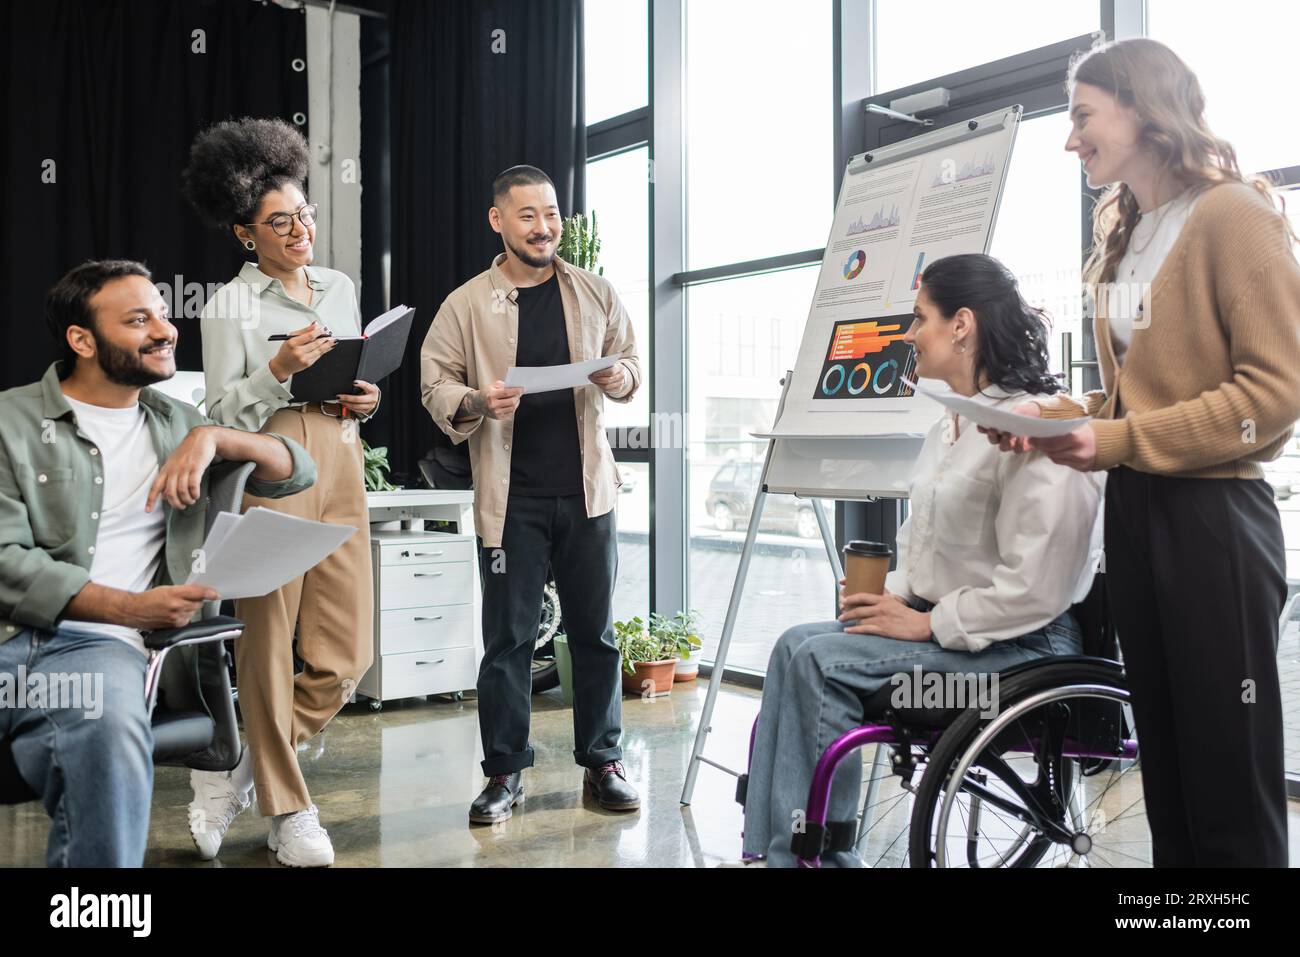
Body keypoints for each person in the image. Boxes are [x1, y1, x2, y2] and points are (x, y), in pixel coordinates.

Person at [983, 38, 1300, 867]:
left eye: (1083, 116)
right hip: (1135, 512)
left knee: (1228, 778)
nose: (1070, 139)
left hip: (1214, 522)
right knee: (1165, 763)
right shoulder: (1127, 233)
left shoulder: (1234, 217)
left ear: (1143, 108)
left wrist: (1114, 436)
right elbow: (1138, 397)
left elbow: (1274, 397)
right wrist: (1052, 417)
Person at [741, 254, 1104, 867]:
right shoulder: (954, 424)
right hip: (967, 636)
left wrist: (928, 624)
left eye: (918, 319)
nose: (908, 336)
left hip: (1025, 654)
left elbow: (1038, 586)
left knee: (823, 664)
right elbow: (927, 543)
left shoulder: (1034, 427)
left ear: (961, 325)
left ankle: (816, 859)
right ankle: (775, 853)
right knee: (792, 646)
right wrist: (896, 598)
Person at [0, 259, 315, 867]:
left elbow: (297, 470)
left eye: (164, 314)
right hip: (12, 637)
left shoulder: (178, 424)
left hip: (99, 650)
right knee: (74, 737)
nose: (166, 329)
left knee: (103, 732)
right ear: (82, 340)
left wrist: (217, 439)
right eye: (138, 319)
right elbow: (5, 561)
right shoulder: (11, 421)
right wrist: (131, 605)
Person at [183, 118, 380, 866]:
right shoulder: (228, 307)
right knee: (268, 647)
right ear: (245, 233)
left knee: (345, 656)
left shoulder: (339, 286)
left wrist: (366, 399)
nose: (299, 229)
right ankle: (291, 807)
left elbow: (356, 371)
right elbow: (215, 414)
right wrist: (277, 372)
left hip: (343, 457)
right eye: (279, 221)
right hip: (273, 465)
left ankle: (241, 769)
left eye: (305, 213)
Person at [421, 165, 641, 823]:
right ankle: (504, 773)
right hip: (510, 501)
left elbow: (631, 369)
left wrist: (616, 374)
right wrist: (477, 401)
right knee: (508, 641)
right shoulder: (466, 304)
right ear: (499, 221)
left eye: (551, 213)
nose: (544, 226)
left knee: (595, 636)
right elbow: (436, 386)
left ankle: (603, 763)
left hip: (588, 495)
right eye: (528, 215)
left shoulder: (595, 292)